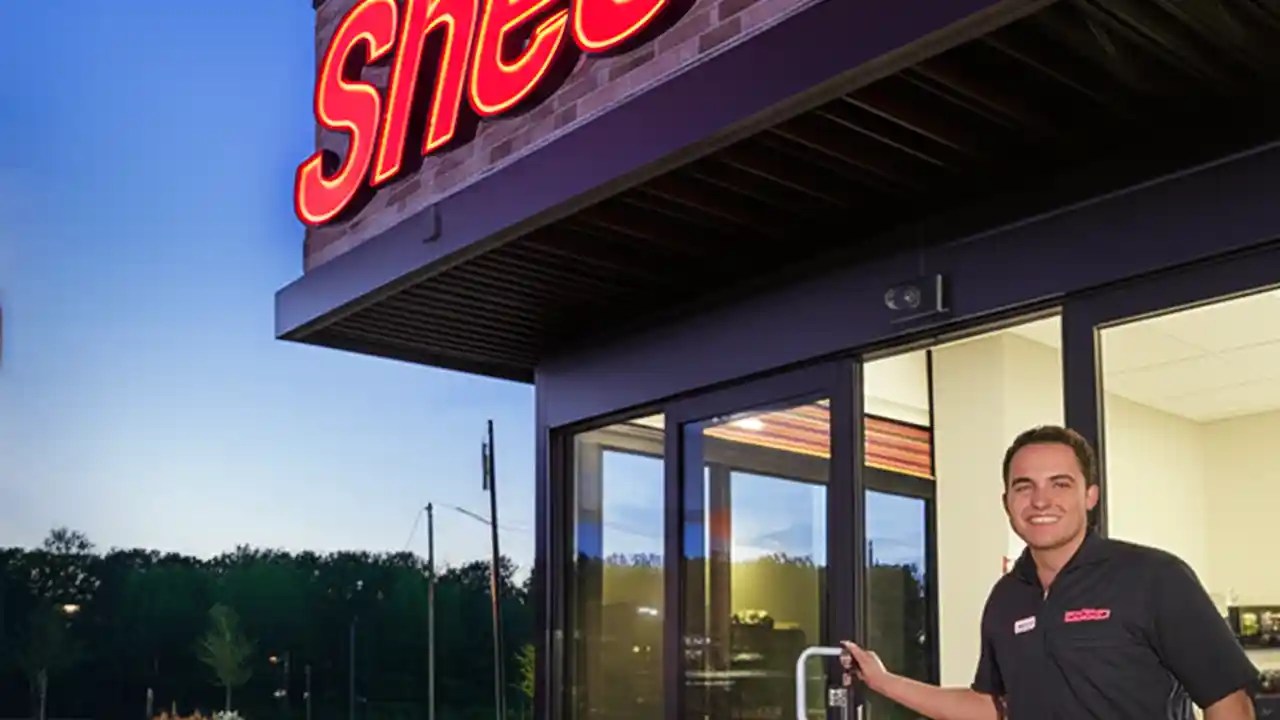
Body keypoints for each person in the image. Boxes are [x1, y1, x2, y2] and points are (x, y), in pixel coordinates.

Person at [841, 425, 1259, 719]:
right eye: (1024, 486)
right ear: (1007, 501)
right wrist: (885, 682)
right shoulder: (1007, 598)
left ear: (1090, 495)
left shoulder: (1155, 578)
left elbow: (1227, 702)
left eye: (1060, 484)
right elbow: (993, 707)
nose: (1040, 501)